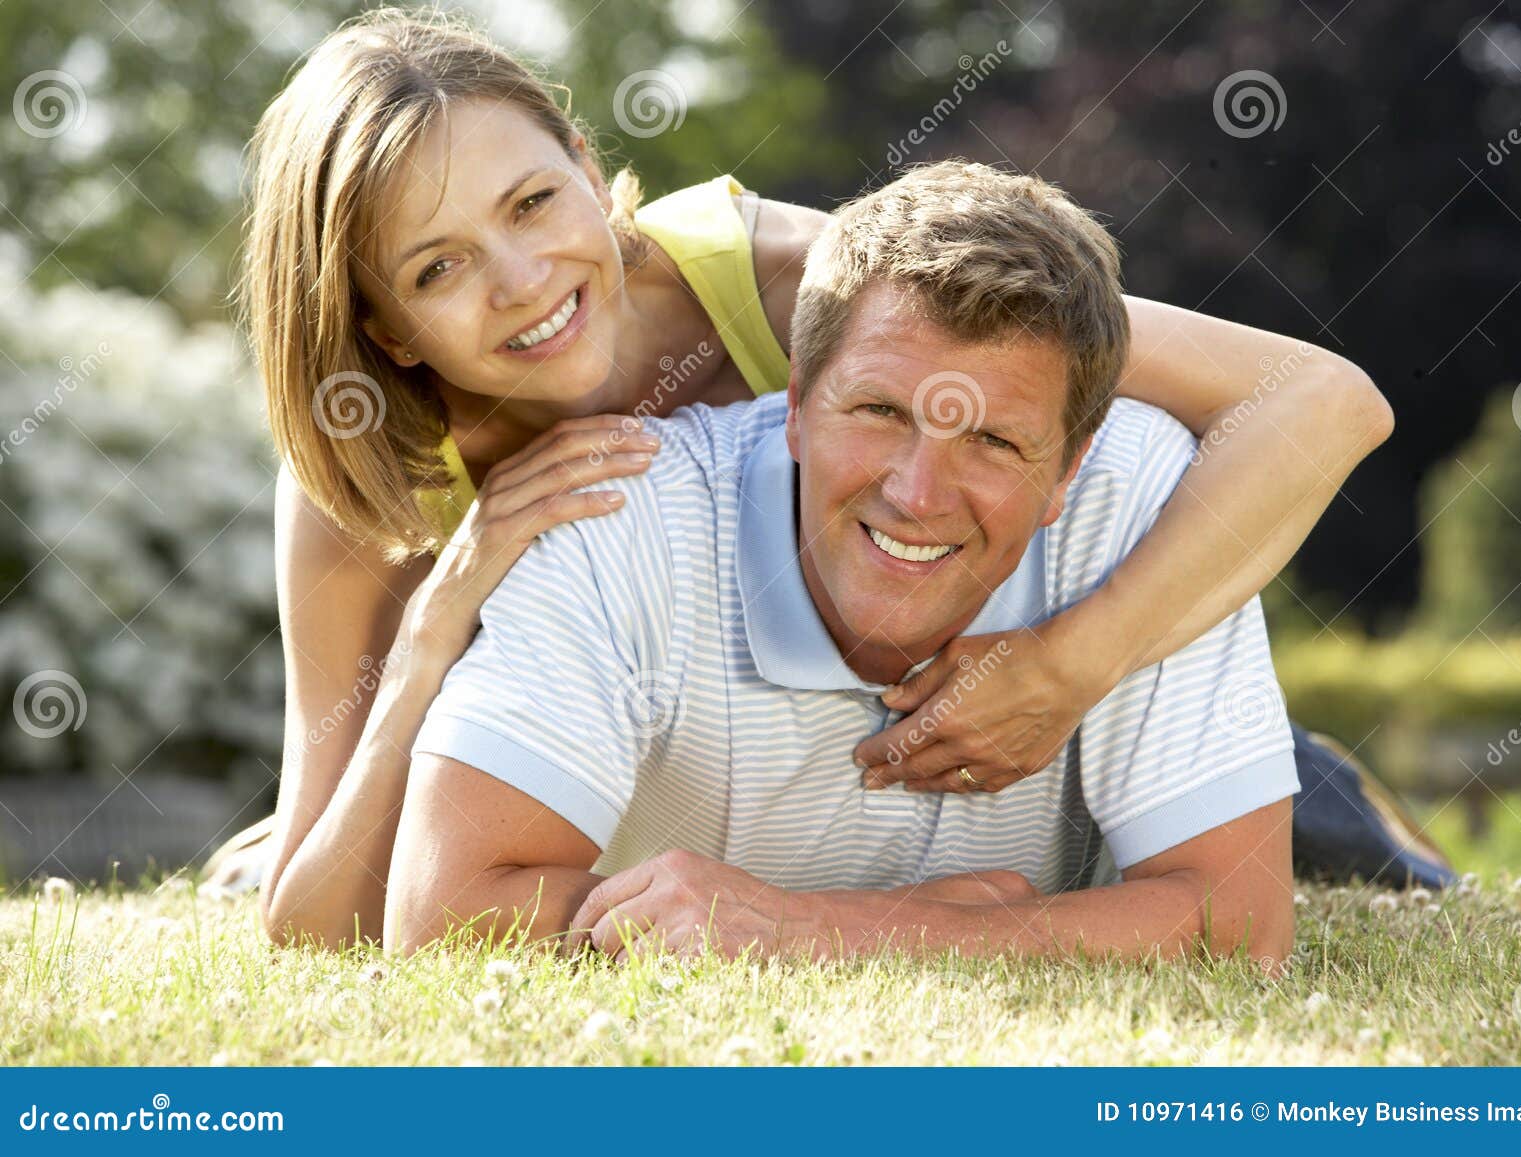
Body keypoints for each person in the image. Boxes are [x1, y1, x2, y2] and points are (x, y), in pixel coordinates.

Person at [225, 10, 1403, 951]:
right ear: (382, 328)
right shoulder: (370, 475)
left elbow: (1317, 401)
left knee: (1278, 803)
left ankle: (1324, 789)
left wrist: (1073, 659)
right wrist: (432, 636)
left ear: (587, 165)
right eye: (439, 267)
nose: (524, 279)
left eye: (532, 201)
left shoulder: (794, 280)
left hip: (1025, 722)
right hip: (600, 763)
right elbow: (315, 915)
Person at [387, 162, 1301, 965]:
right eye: (878, 412)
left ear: (1068, 467)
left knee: (1317, 797)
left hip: (1179, 752)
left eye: (991, 441)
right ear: (791, 405)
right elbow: (441, 912)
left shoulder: (1147, 494)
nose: (918, 494)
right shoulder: (609, 514)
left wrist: (817, 927)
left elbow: (1242, 928)